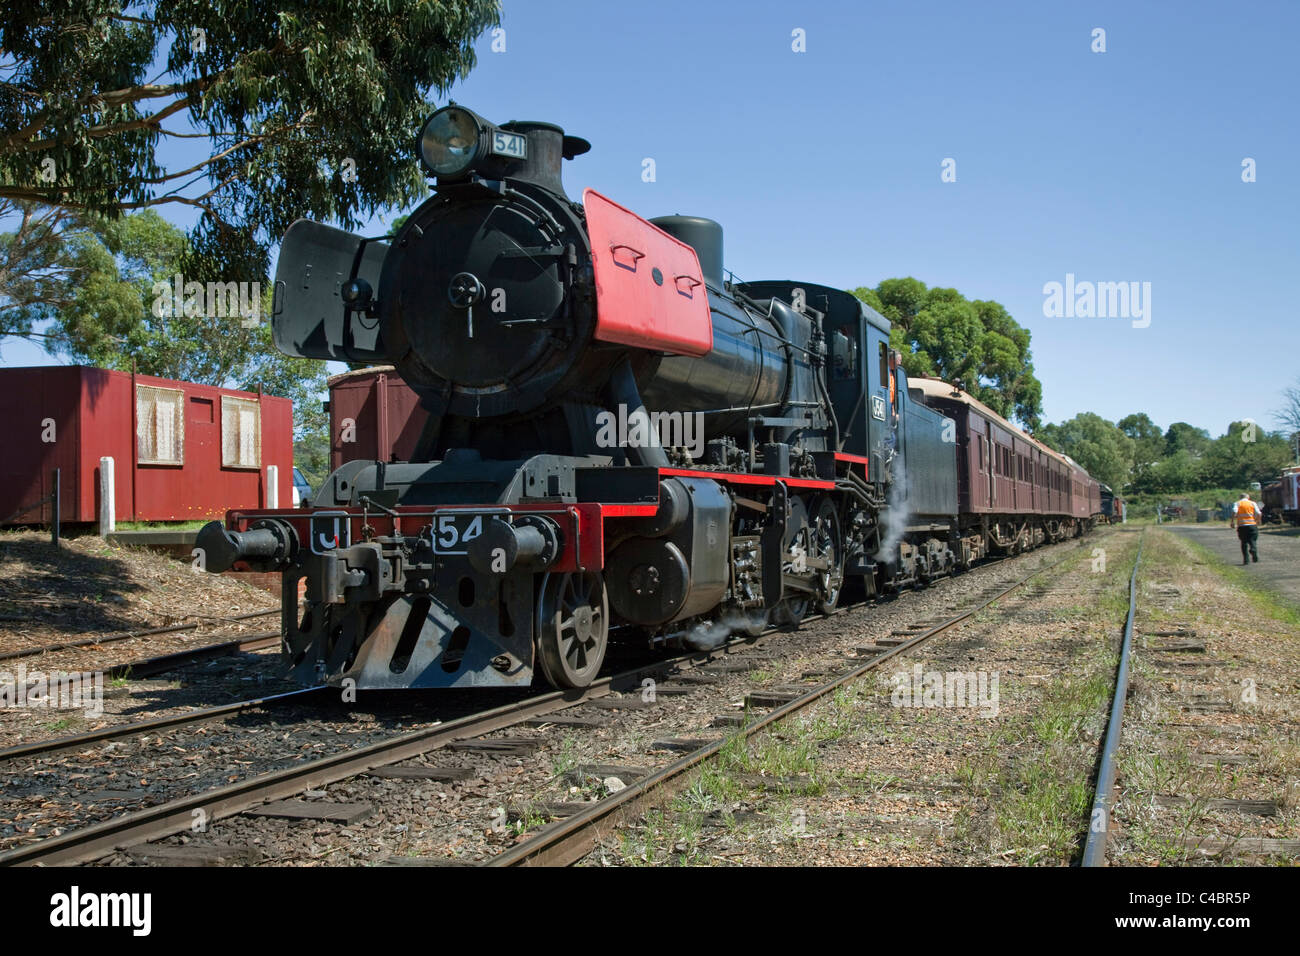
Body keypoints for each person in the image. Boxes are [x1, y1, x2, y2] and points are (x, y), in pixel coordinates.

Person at [1230, 492, 1261, 564]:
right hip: (1252, 525)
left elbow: (1234, 511)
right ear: (1248, 497)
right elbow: (1259, 513)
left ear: (1240, 497)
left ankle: (1246, 560)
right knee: (1253, 540)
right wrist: (1258, 521)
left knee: (1243, 542)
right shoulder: (1252, 503)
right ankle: (1253, 549)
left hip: (1242, 526)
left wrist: (1232, 521)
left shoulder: (1237, 503)